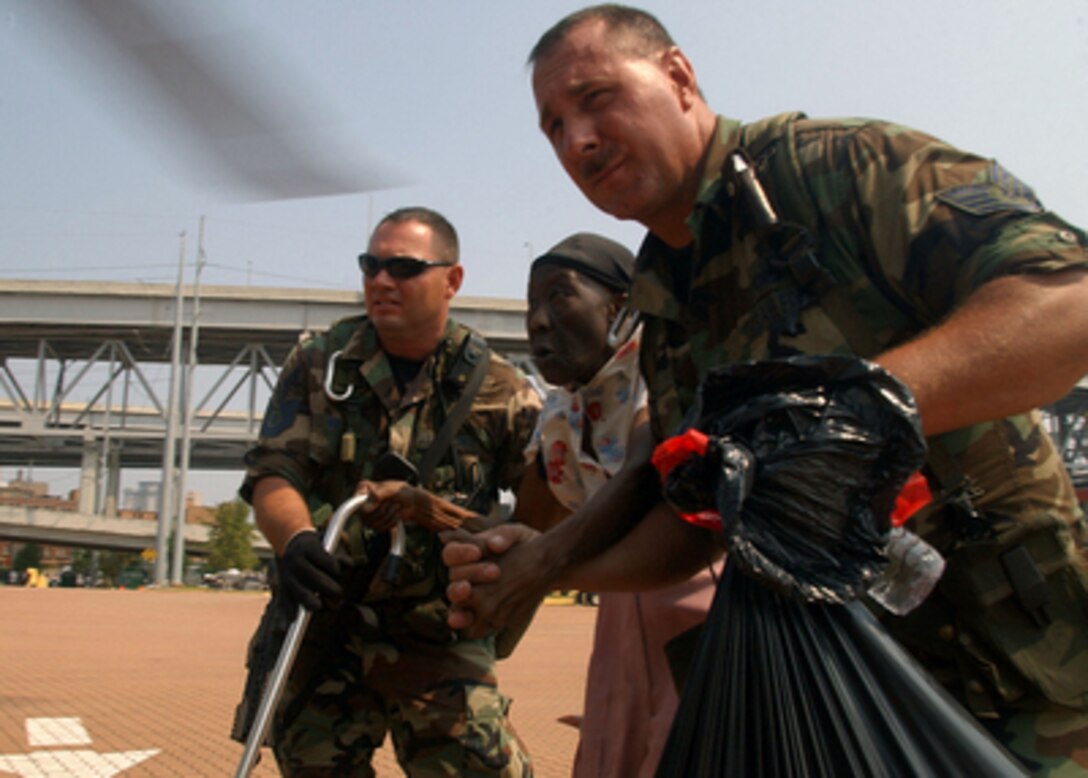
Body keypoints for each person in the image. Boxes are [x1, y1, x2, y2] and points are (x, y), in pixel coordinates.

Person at [443, 5, 1088, 773]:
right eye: (553, 126)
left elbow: (1066, 296)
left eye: (597, 97)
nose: (577, 140)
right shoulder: (664, 306)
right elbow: (695, 528)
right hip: (849, 695)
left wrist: (846, 412)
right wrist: (552, 563)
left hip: (1022, 675)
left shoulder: (834, 170)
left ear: (678, 78)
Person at [364, 232, 722, 778]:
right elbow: (522, 532)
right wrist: (422, 507)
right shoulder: (564, 420)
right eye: (532, 304)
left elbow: (642, 476)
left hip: (704, 610)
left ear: (621, 308)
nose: (537, 321)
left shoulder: (663, 374)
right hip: (624, 626)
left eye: (559, 297)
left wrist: (539, 569)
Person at [239, 206, 540, 776]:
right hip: (326, 625)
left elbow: (543, 520)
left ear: (452, 280)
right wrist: (297, 541)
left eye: (403, 267)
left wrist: (442, 522)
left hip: (439, 631)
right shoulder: (319, 361)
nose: (381, 281)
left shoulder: (500, 389)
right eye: (371, 265)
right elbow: (274, 471)